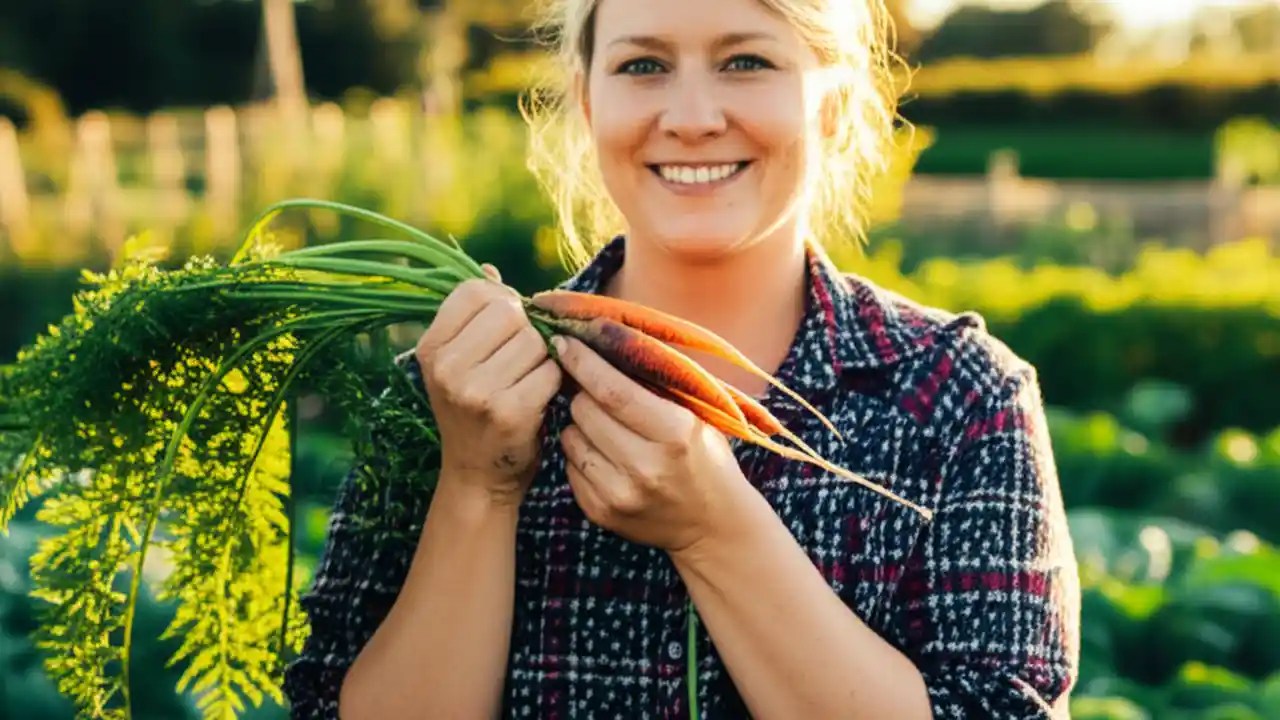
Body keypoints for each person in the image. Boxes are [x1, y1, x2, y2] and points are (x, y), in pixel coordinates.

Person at [283, 0, 1081, 717]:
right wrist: (477, 485)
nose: (692, 116)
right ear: (589, 102)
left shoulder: (960, 396)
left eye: (746, 61)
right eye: (643, 65)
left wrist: (714, 530)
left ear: (832, 106)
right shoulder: (451, 392)